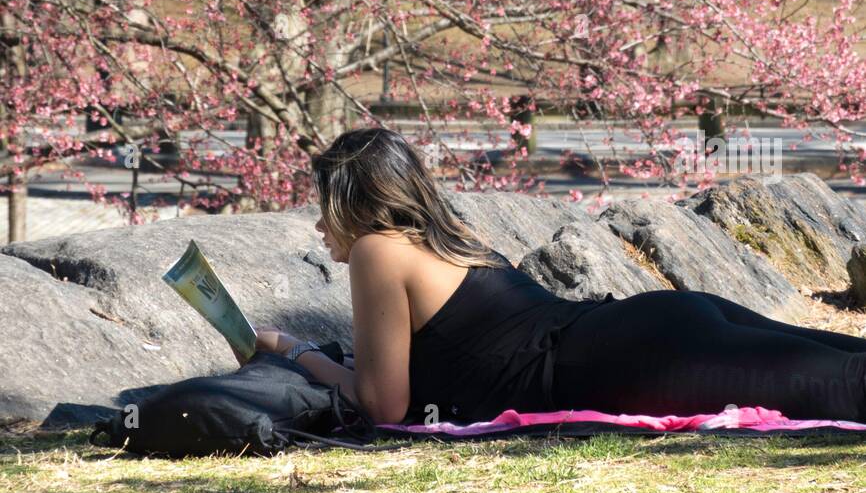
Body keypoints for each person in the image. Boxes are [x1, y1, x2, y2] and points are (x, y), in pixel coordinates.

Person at [252, 127, 866, 426]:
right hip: (647, 327)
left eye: (324, 204)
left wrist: (297, 350)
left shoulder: (376, 250)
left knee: (849, 387)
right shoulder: (446, 240)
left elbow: (384, 406)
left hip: (632, 361)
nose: (318, 226)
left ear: (353, 201)